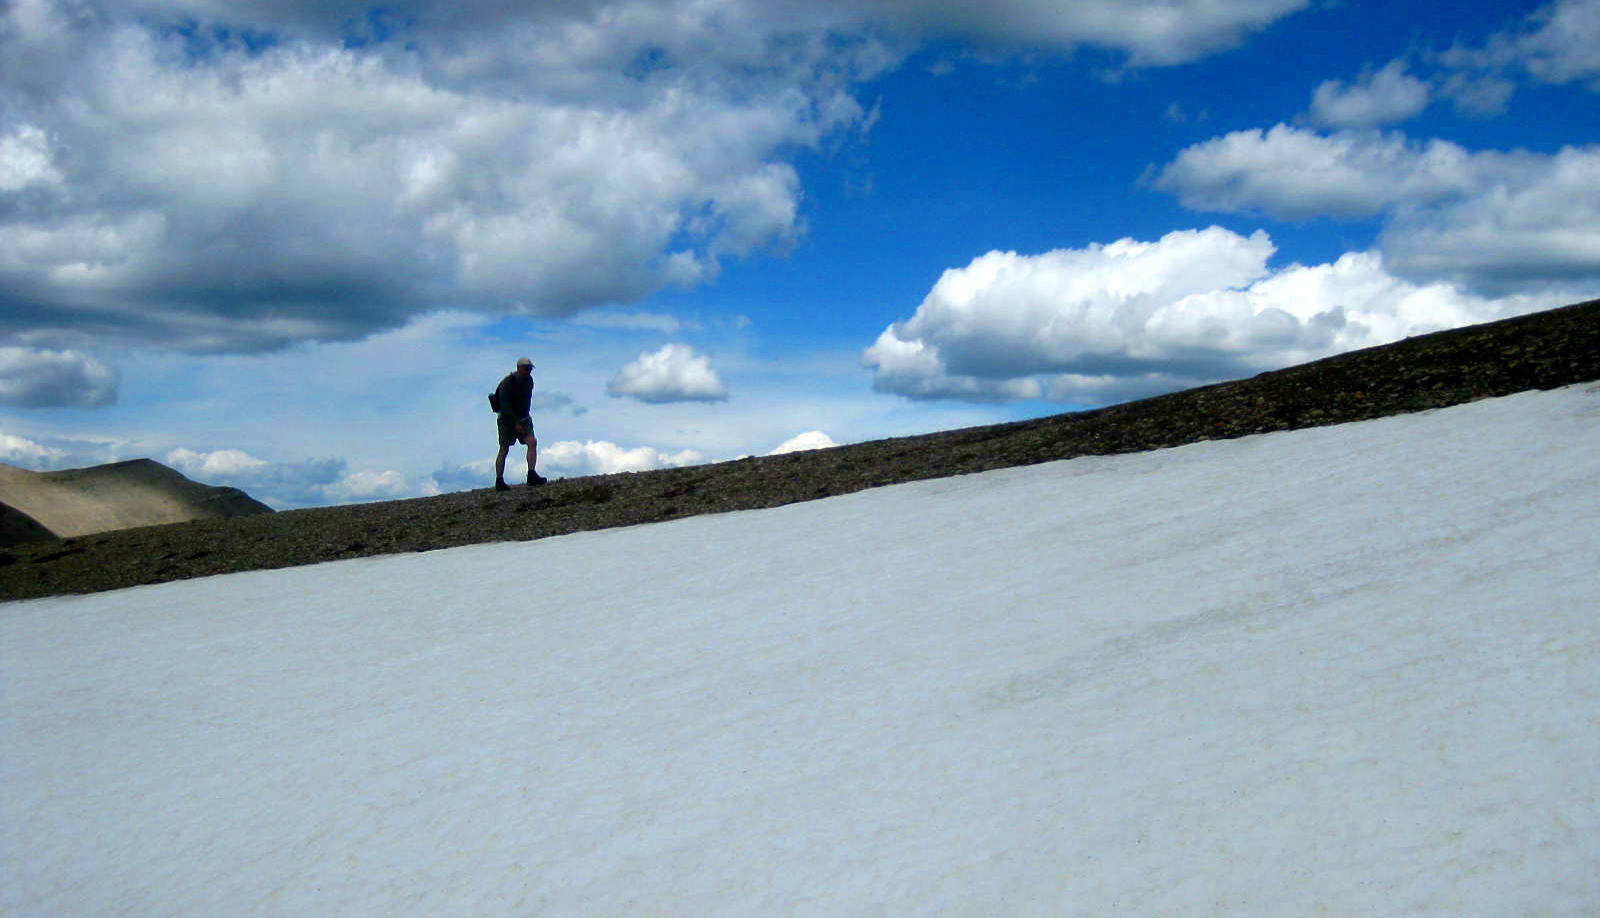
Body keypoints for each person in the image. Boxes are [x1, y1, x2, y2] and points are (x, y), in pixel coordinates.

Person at [494, 357, 546, 489]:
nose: (529, 371)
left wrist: (522, 420)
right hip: (506, 420)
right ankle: (499, 480)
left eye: (530, 369)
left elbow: (525, 402)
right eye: (526, 368)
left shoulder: (529, 381)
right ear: (519, 368)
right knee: (504, 448)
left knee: (532, 442)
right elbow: (505, 405)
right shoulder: (507, 383)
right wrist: (515, 422)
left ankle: (531, 474)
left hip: (524, 418)